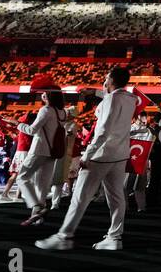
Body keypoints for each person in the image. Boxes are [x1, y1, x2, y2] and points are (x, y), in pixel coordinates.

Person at [34, 68, 137, 252]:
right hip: (120, 154)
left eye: (106, 78)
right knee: (116, 198)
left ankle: (64, 236)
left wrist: (88, 154)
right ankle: (114, 237)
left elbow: (103, 131)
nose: (104, 82)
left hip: (101, 156)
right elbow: (115, 99)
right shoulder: (131, 99)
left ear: (111, 80)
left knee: (80, 197)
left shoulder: (111, 99)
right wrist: (96, 92)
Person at [18, 84, 72, 225]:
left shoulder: (46, 110)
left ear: (49, 95)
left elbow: (32, 130)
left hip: (40, 149)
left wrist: (18, 124)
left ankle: (36, 206)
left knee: (22, 177)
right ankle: (38, 218)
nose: (42, 94)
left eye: (44, 93)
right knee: (42, 185)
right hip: (53, 152)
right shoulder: (63, 112)